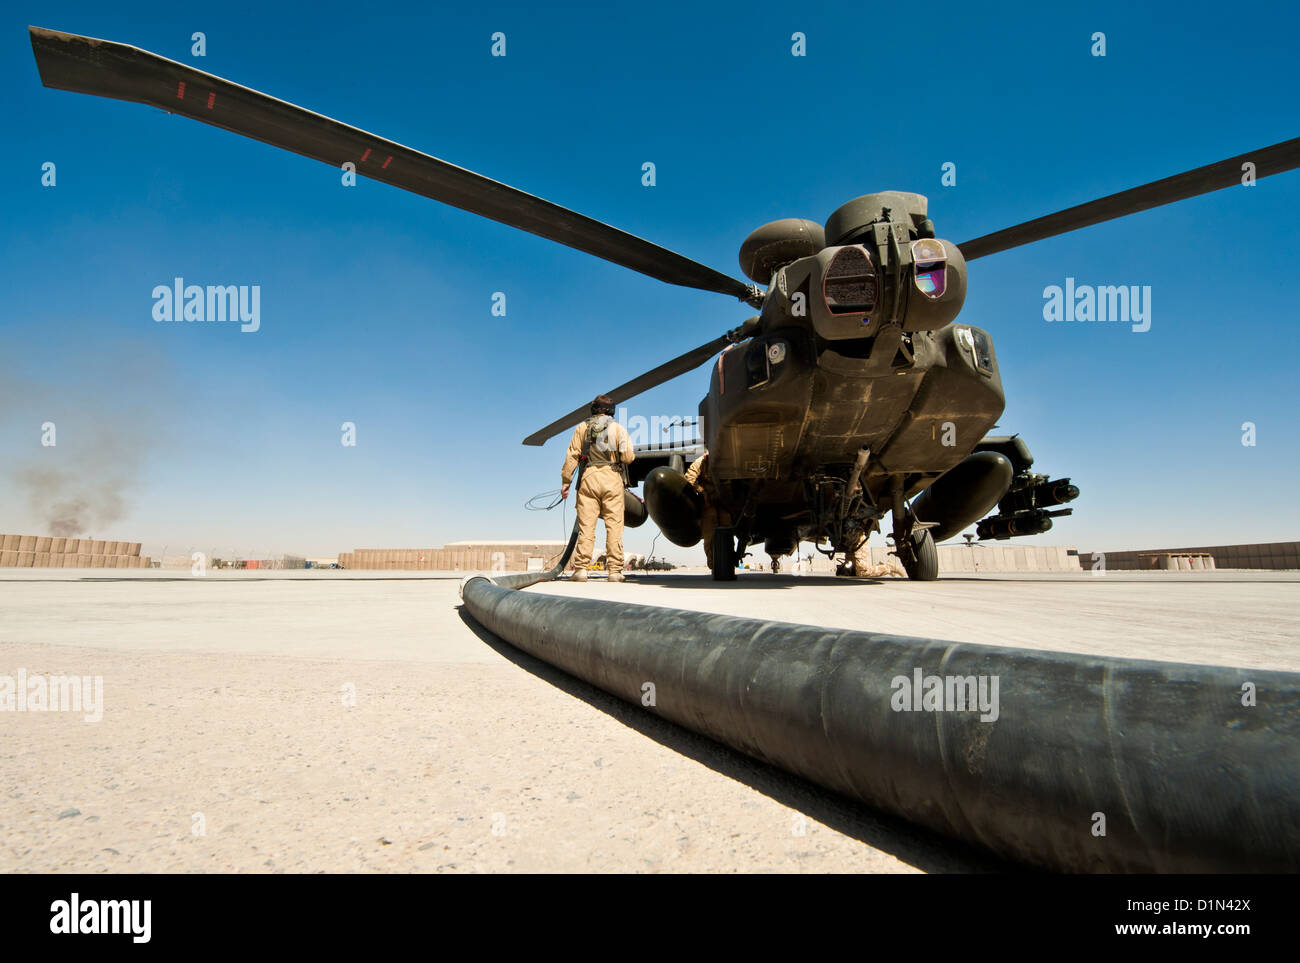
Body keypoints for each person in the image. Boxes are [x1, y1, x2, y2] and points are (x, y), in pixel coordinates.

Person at [561, 395, 635, 582]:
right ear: (611, 410)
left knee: (586, 526)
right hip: (612, 478)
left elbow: (572, 456)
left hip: (589, 477)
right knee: (614, 526)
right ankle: (615, 572)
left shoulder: (582, 428)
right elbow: (627, 457)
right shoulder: (618, 429)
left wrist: (566, 482)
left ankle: (581, 570)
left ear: (594, 409)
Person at [684, 450, 732, 570]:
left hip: (724, 503)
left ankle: (729, 560)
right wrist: (702, 491)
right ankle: (713, 562)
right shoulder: (700, 462)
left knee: (727, 530)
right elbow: (689, 479)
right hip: (708, 503)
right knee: (709, 533)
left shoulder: (730, 461)